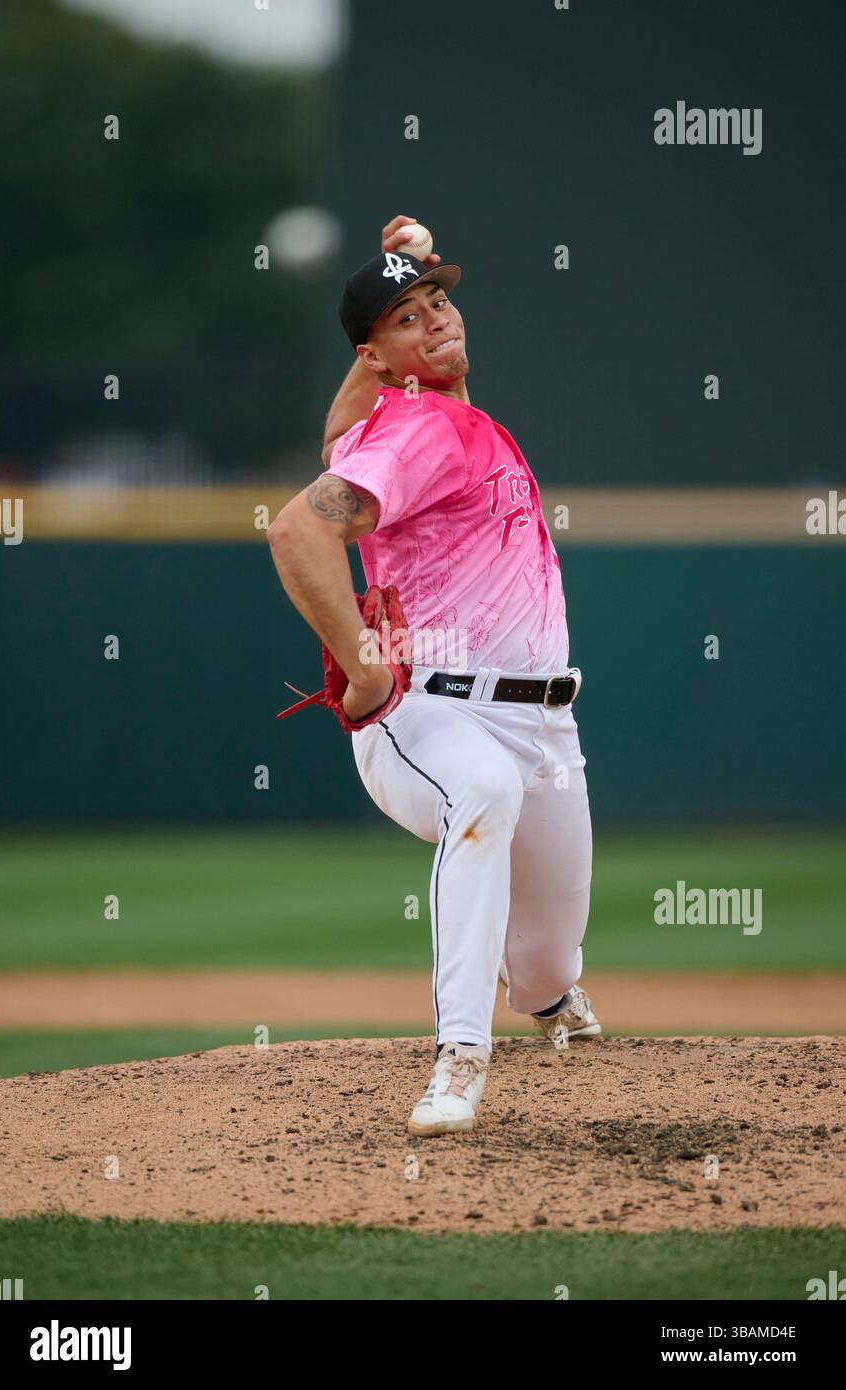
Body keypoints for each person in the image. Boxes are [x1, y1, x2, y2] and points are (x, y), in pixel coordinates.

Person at [267, 215, 600, 1137]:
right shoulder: (417, 430)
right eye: (409, 318)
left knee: (546, 964)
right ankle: (460, 1053)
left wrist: (397, 285)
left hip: (545, 730)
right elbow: (297, 529)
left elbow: (347, 430)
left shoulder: (435, 420)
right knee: (483, 791)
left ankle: (541, 994)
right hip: (430, 718)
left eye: (439, 301)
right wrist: (365, 666)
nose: (438, 320)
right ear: (380, 356)